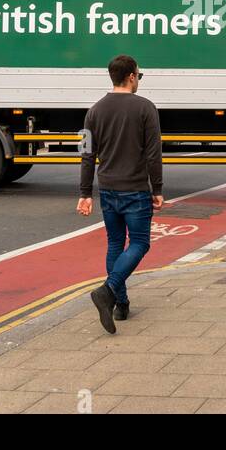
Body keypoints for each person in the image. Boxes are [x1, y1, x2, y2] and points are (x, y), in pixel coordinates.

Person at [77, 54, 164, 334]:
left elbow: (87, 155)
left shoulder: (94, 111)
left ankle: (121, 304)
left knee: (115, 242)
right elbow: (153, 154)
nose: (139, 80)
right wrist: (158, 188)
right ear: (130, 76)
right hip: (135, 188)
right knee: (139, 243)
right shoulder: (145, 108)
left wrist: (85, 193)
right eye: (139, 75)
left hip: (108, 189)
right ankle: (108, 290)